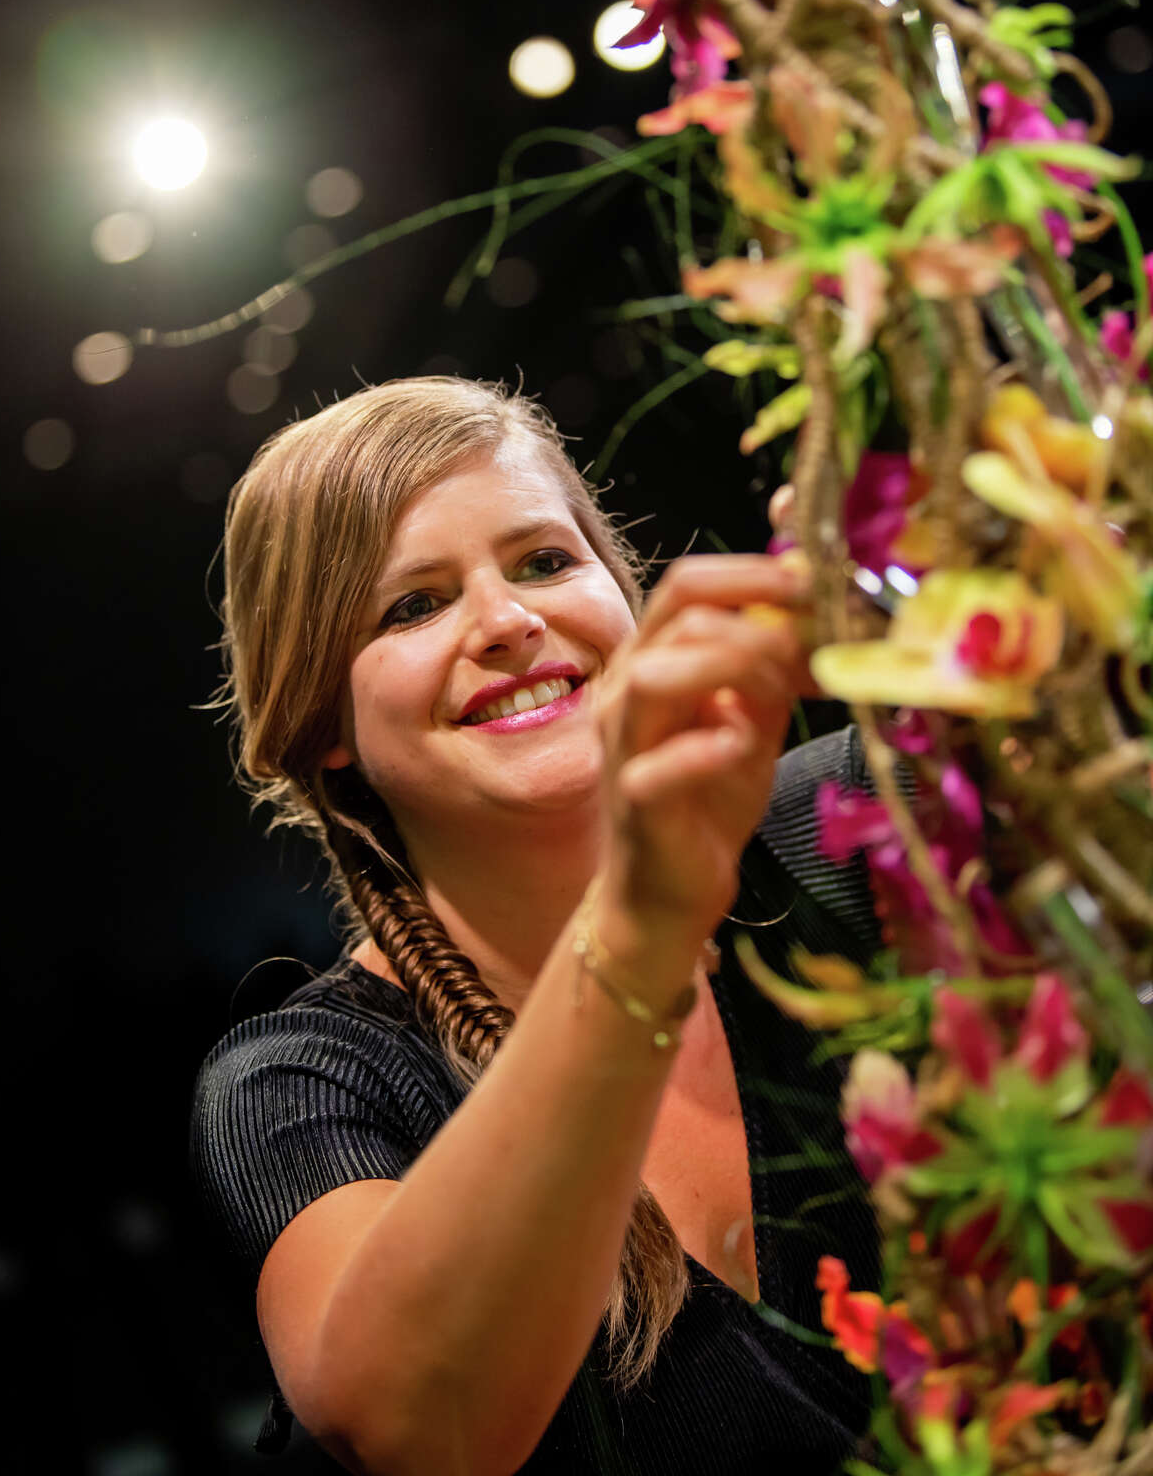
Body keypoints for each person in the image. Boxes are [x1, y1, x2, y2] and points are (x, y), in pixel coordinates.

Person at [190, 375, 883, 1475]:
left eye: (546, 562)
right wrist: (644, 925)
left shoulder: (842, 831)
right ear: (323, 720)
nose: (510, 622)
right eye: (414, 605)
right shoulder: (306, 1081)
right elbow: (419, 1431)